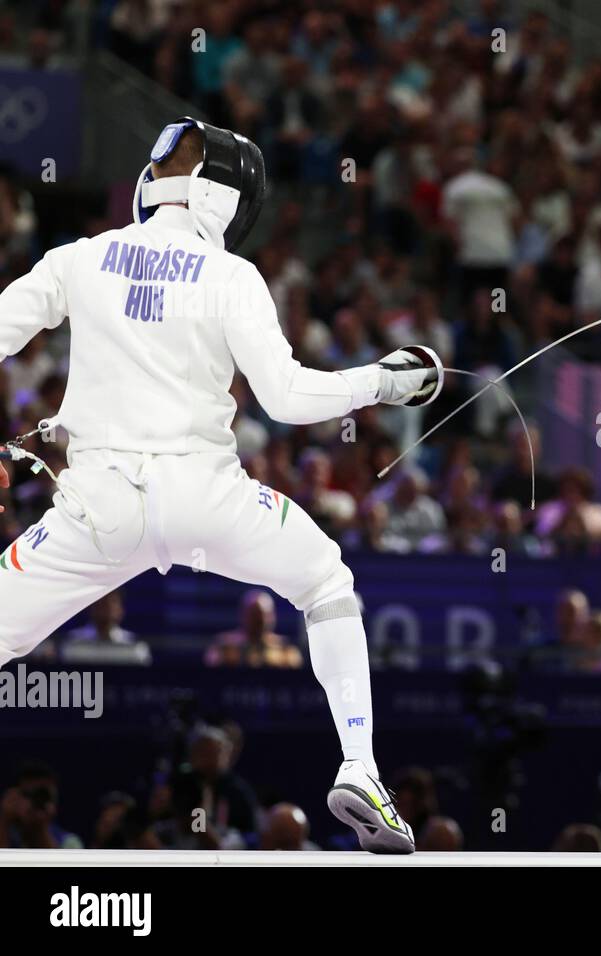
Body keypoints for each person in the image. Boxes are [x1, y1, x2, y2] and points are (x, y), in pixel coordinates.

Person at [0, 117, 441, 853]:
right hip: (211, 501)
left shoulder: (82, 257)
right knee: (327, 580)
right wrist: (386, 382)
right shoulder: (232, 276)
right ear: (230, 201)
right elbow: (291, 400)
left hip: (99, 509)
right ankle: (361, 768)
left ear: (154, 182)